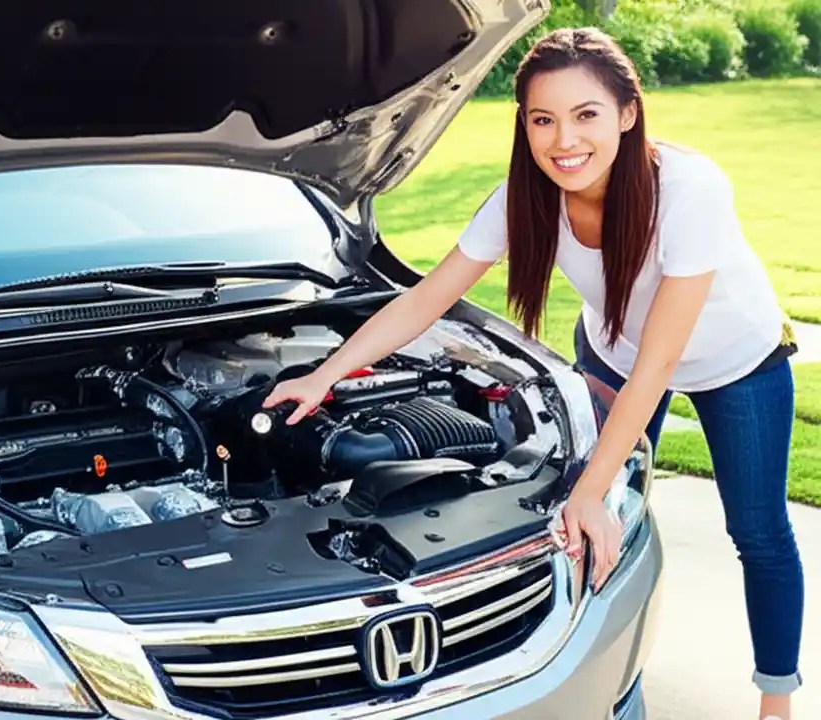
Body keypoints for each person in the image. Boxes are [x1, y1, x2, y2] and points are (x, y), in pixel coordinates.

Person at [261, 27, 803, 720]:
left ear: (627, 113)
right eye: (543, 119)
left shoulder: (690, 190)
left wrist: (594, 488)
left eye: (586, 115)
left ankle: (776, 702)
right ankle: (604, 670)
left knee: (757, 532)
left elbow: (660, 364)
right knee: (587, 513)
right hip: (614, 350)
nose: (563, 141)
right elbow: (427, 300)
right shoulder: (526, 197)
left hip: (736, 362)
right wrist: (325, 375)